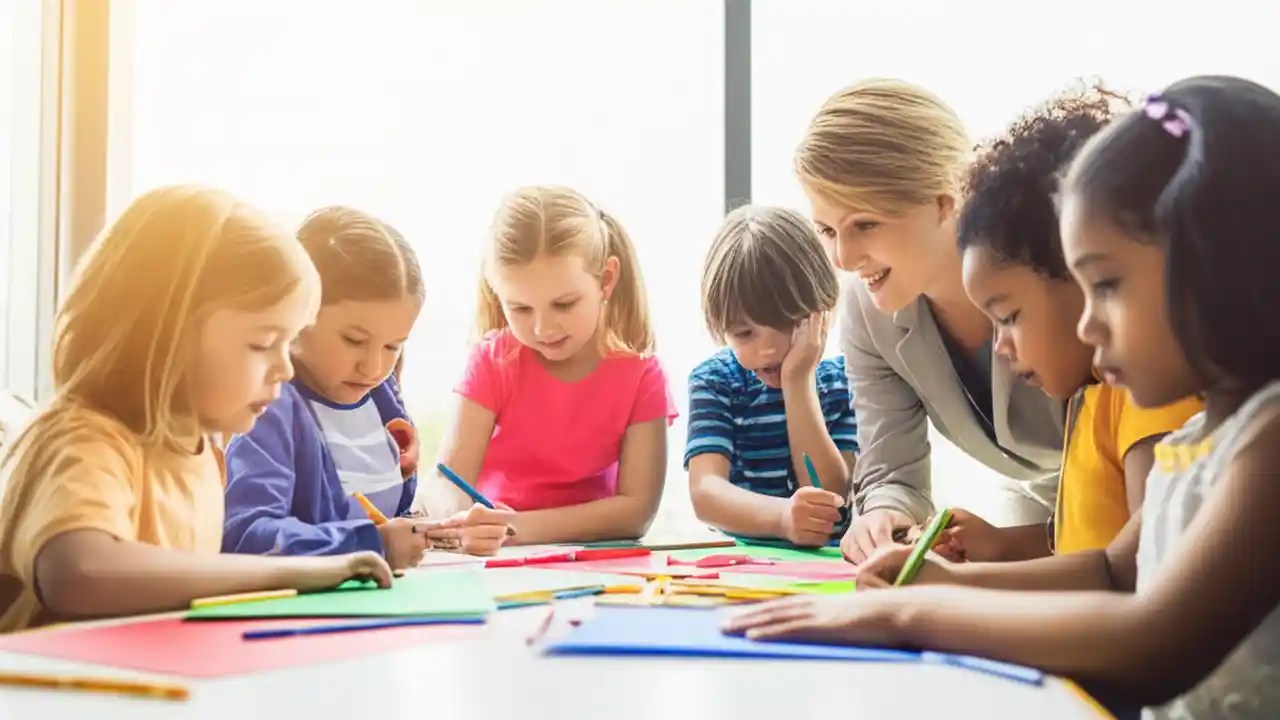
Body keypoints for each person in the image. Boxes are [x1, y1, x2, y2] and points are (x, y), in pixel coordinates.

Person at [726, 75, 1280, 720]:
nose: (1087, 324)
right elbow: (1111, 570)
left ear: (1212, 264)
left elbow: (1157, 643)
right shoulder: (1202, 442)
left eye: (1104, 285)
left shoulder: (1267, 445)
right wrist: (954, 582)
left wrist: (914, 610)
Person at [0, 186, 392, 633]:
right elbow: (79, 573)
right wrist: (295, 572)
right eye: (263, 343)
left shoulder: (201, 454)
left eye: (289, 343)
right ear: (164, 333)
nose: (284, 368)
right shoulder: (87, 439)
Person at [795, 79, 1066, 563]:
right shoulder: (866, 309)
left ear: (946, 201)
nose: (843, 257)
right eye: (827, 230)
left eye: (866, 224)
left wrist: (1007, 548)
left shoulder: (1054, 272)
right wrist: (883, 516)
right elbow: (891, 472)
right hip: (1040, 511)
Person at [944, 87, 1201, 561]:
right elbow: (1092, 540)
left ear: (1078, 276)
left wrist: (948, 595)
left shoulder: (1147, 397)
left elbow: (1136, 571)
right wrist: (1001, 546)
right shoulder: (1094, 395)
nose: (999, 345)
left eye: (1009, 317)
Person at [223, 207, 513, 568]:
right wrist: (370, 544)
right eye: (353, 340)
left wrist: (447, 534)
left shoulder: (380, 397)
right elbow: (245, 536)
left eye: (394, 345)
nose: (373, 367)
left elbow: (388, 521)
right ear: (299, 314)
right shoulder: (269, 410)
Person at [412, 186, 676, 544]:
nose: (542, 328)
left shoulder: (642, 375)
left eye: (564, 304)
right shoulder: (494, 361)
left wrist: (513, 528)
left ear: (606, 280)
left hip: (598, 563)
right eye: (520, 308)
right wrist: (449, 518)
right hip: (498, 559)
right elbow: (447, 478)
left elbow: (635, 513)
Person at [686, 205, 857, 547]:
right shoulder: (716, 382)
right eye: (744, 334)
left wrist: (798, 382)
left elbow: (832, 498)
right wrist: (781, 518)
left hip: (830, 568)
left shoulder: (844, 382)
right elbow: (706, 493)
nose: (766, 351)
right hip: (744, 563)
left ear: (821, 313)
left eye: (786, 325)